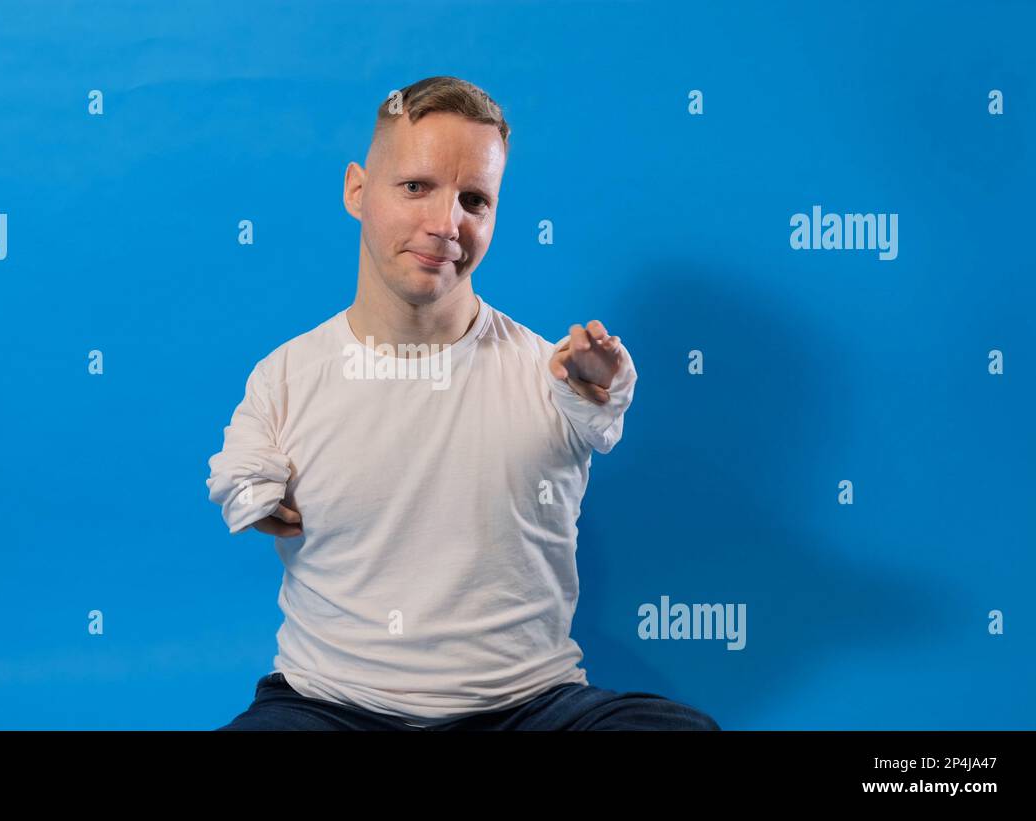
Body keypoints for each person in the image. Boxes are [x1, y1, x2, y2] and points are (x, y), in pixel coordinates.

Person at [206, 76, 719, 731]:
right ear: (357, 190)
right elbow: (236, 468)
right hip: (329, 706)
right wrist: (252, 490)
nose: (446, 223)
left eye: (474, 199)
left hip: (528, 707)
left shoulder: (549, 370)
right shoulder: (286, 374)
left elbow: (600, 408)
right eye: (416, 186)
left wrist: (603, 384)